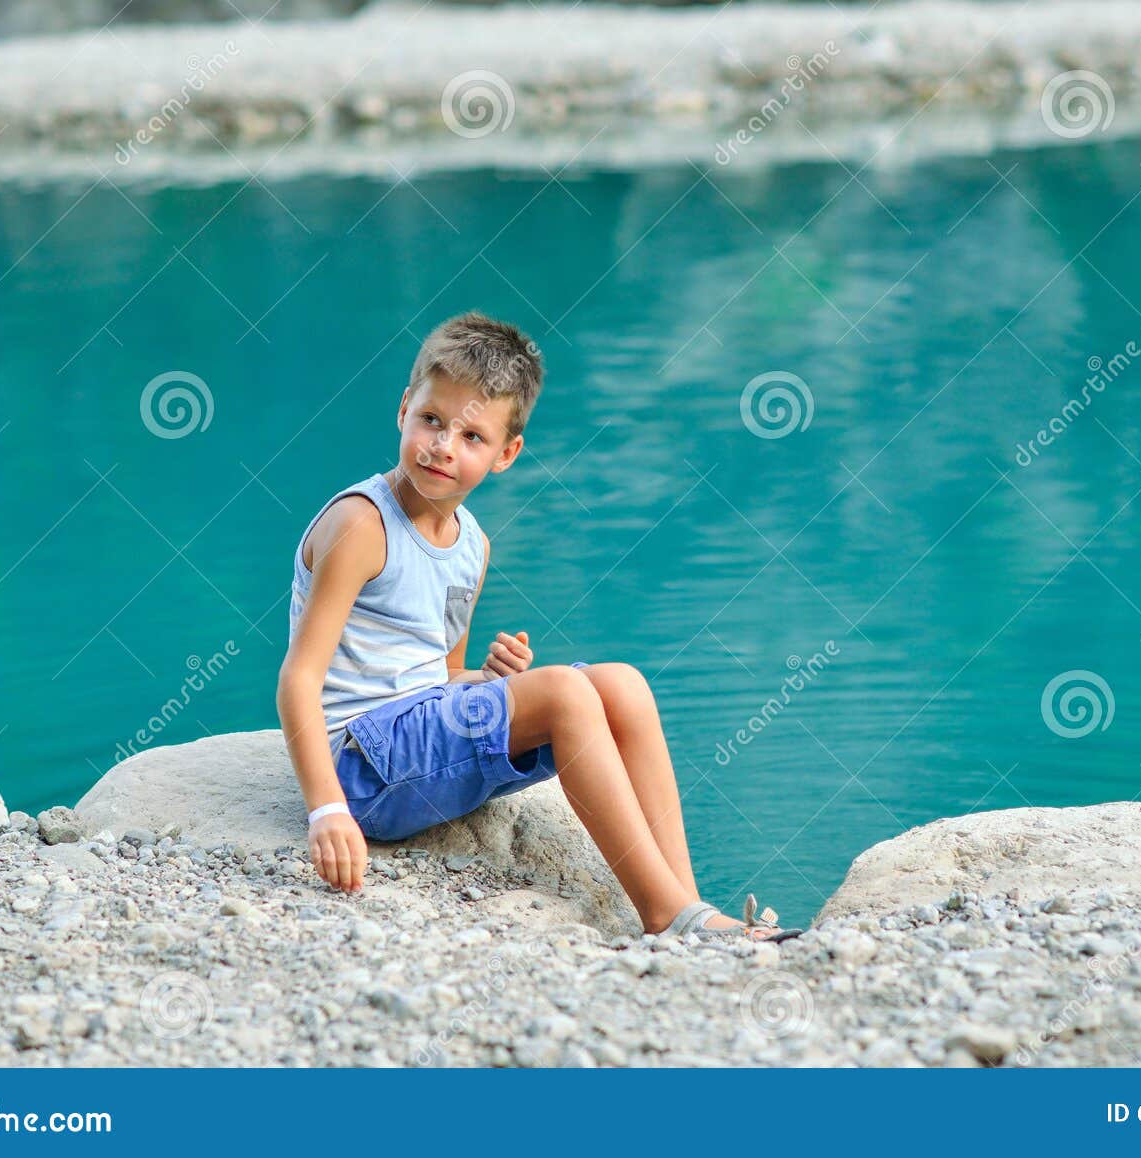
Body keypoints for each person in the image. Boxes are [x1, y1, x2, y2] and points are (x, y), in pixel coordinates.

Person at [276, 311, 801, 942]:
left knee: (624, 684)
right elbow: (299, 679)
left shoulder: (472, 545)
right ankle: (667, 917)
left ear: (506, 453)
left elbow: (437, 676)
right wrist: (326, 808)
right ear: (403, 410)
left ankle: (685, 900)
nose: (443, 446)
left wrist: (487, 681)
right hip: (361, 768)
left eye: (472, 436)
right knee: (562, 693)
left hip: (414, 737)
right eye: (432, 420)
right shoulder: (363, 526)